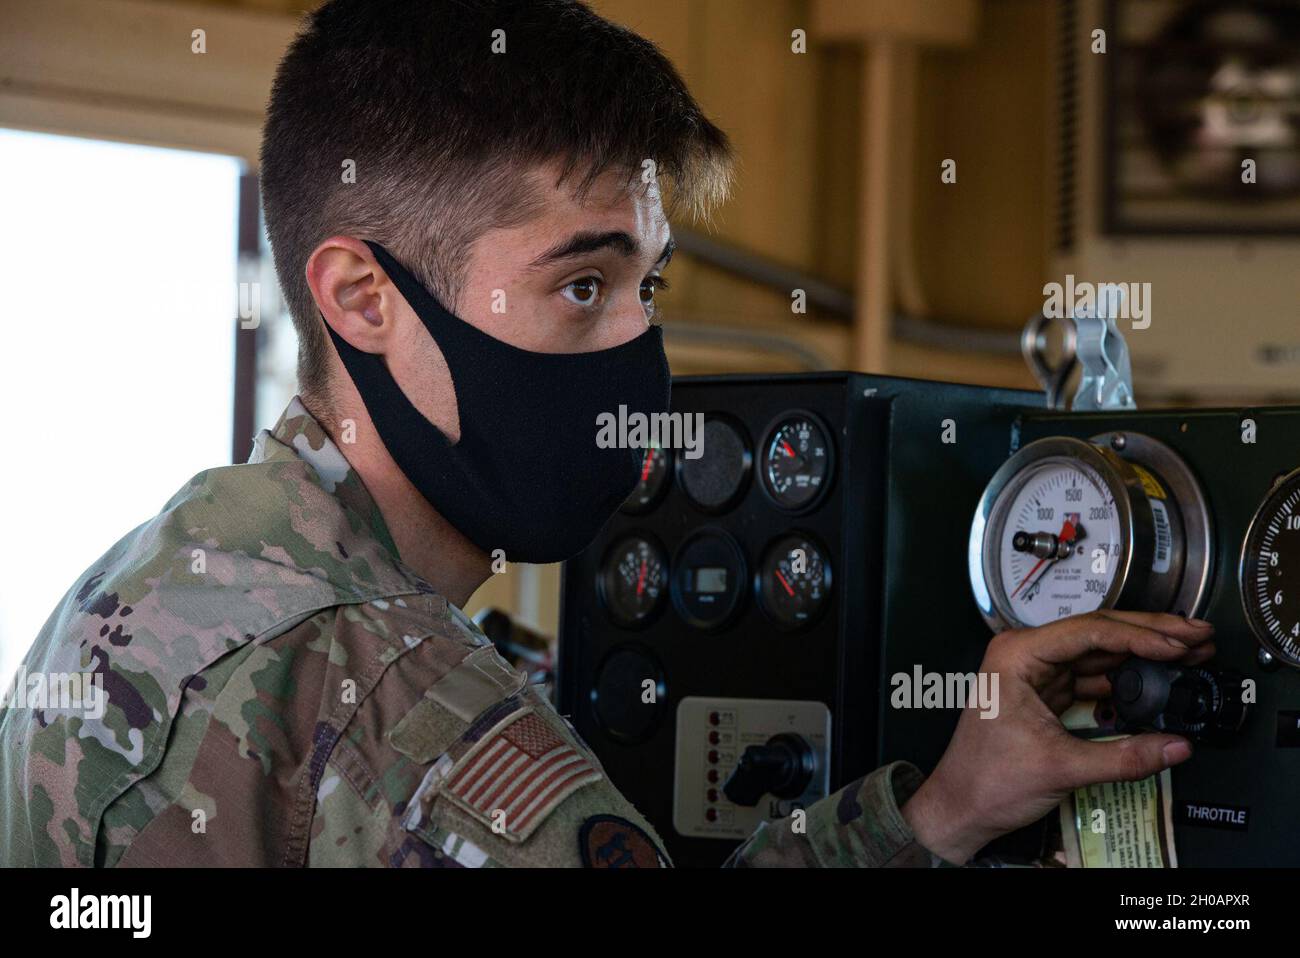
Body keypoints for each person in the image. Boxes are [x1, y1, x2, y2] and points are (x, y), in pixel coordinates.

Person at [0, 0, 1214, 868]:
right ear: (363, 300)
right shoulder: (412, 714)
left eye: (652, 289)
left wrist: (941, 810)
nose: (643, 361)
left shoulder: (142, 586)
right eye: (582, 287)